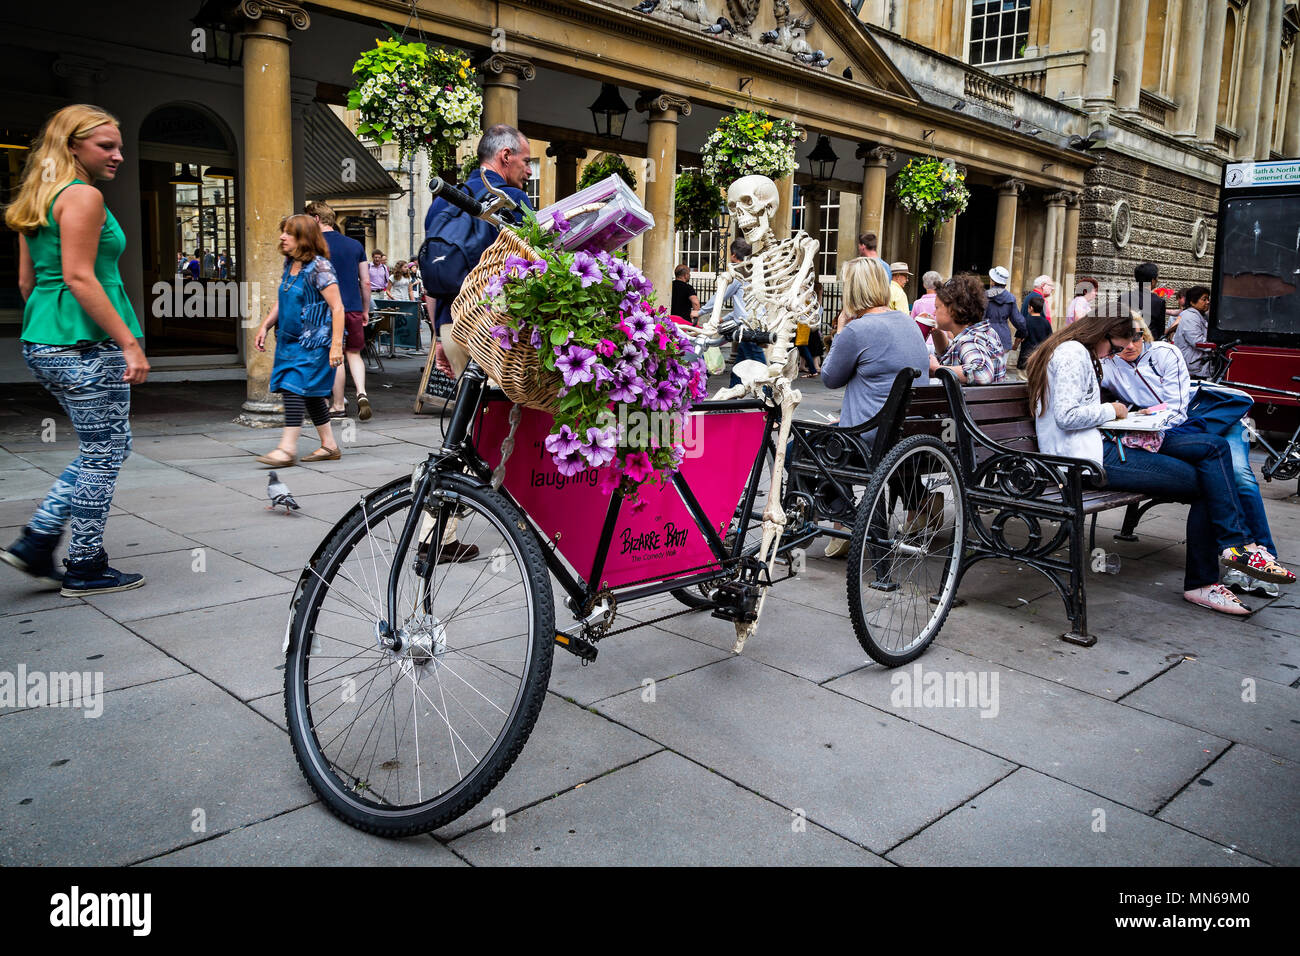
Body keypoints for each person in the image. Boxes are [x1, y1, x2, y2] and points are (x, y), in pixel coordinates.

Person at [1025, 313, 1286, 615]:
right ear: (1102, 334)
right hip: (1086, 459)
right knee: (1207, 481)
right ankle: (1209, 577)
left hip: (1103, 445)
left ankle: (1234, 547)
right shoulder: (1072, 353)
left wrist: (1122, 413)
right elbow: (1068, 416)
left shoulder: (1079, 351)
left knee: (1212, 448)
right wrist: (1112, 409)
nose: (1113, 355)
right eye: (1114, 348)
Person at [0, 104, 149, 596]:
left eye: (119, 146)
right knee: (105, 452)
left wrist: (53, 330)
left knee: (106, 447)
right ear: (72, 146)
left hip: (45, 340)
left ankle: (38, 541)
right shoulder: (82, 196)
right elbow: (79, 277)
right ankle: (84, 564)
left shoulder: (37, 197)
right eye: (107, 146)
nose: (119, 156)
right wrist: (128, 343)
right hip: (88, 344)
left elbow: (28, 283)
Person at [1103, 319, 1293, 592]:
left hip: (1209, 418)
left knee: (1240, 477)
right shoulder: (1110, 365)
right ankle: (1239, 554)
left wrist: (1148, 413)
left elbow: (1177, 410)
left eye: (1135, 336)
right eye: (1121, 340)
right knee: (1214, 474)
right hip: (1175, 433)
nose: (1130, 345)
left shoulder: (1164, 353)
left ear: (1143, 333)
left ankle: (1262, 556)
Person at [820, 256, 927, 556]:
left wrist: (841, 329)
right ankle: (920, 501)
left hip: (870, 440)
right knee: (827, 436)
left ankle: (842, 520)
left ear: (852, 291)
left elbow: (829, 377)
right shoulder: (908, 323)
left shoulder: (857, 331)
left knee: (800, 448)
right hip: (909, 435)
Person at [424, 124, 533, 377]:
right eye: (526, 161)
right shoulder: (512, 198)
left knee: (470, 412)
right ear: (506, 156)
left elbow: (432, 274)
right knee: (499, 414)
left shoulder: (443, 200)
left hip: (452, 327)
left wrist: (440, 336)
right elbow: (531, 264)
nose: (528, 170)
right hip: (498, 332)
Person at [252, 214, 346, 467]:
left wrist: (336, 346)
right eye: (283, 232)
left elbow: (337, 308)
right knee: (312, 394)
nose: (282, 237)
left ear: (304, 238)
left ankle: (286, 448)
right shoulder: (290, 264)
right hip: (289, 342)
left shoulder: (319, 267)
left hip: (314, 344)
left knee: (294, 388)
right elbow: (283, 299)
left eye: (289, 233)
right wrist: (265, 325)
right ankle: (330, 445)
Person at [306, 200, 371, 421]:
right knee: (354, 353)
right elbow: (366, 282)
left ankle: (337, 405)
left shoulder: (314, 246)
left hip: (326, 310)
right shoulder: (355, 245)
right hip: (353, 306)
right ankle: (362, 393)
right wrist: (364, 309)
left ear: (315, 219)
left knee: (335, 356)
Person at [695, 238, 755, 387]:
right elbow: (742, 306)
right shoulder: (751, 272)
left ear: (733, 255)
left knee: (756, 359)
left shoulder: (737, 275)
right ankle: (732, 391)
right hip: (749, 322)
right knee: (741, 360)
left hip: (748, 326)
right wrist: (726, 318)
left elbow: (720, 297)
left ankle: (768, 392)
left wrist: (700, 311)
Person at [931, 274, 1007, 385]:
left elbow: (983, 373)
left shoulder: (970, 341)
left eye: (937, 307)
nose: (934, 312)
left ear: (952, 309)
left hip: (968, 402)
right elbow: (952, 355)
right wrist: (936, 332)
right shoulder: (986, 332)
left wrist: (936, 370)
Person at [1171, 285, 1213, 377]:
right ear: (1192, 302)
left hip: (1197, 365)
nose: (1208, 302)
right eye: (1204, 299)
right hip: (1192, 366)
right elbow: (1197, 341)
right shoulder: (1190, 317)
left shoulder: (1200, 315)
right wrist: (1214, 346)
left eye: (1208, 299)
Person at [1118, 262, 1167, 339]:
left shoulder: (1123, 297)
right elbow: (1160, 330)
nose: (1157, 280)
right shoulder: (1159, 302)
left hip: (1128, 341)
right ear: (1153, 280)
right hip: (1150, 343)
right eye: (1157, 277)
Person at [983, 265, 1025, 355]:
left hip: (985, 337)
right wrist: (1023, 332)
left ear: (993, 282)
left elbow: (978, 319)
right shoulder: (1010, 298)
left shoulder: (983, 296)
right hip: (1003, 339)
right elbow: (1018, 320)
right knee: (1001, 368)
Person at [1017, 291, 1052, 373]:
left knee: (1023, 380)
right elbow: (1050, 339)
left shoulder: (1025, 321)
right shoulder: (1046, 322)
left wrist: (1015, 346)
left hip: (1025, 357)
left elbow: (1019, 337)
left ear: (1031, 308)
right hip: (1039, 358)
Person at [910, 269, 940, 340]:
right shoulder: (942, 302)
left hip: (922, 340)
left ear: (924, 285)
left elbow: (912, 324)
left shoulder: (917, 303)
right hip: (939, 340)